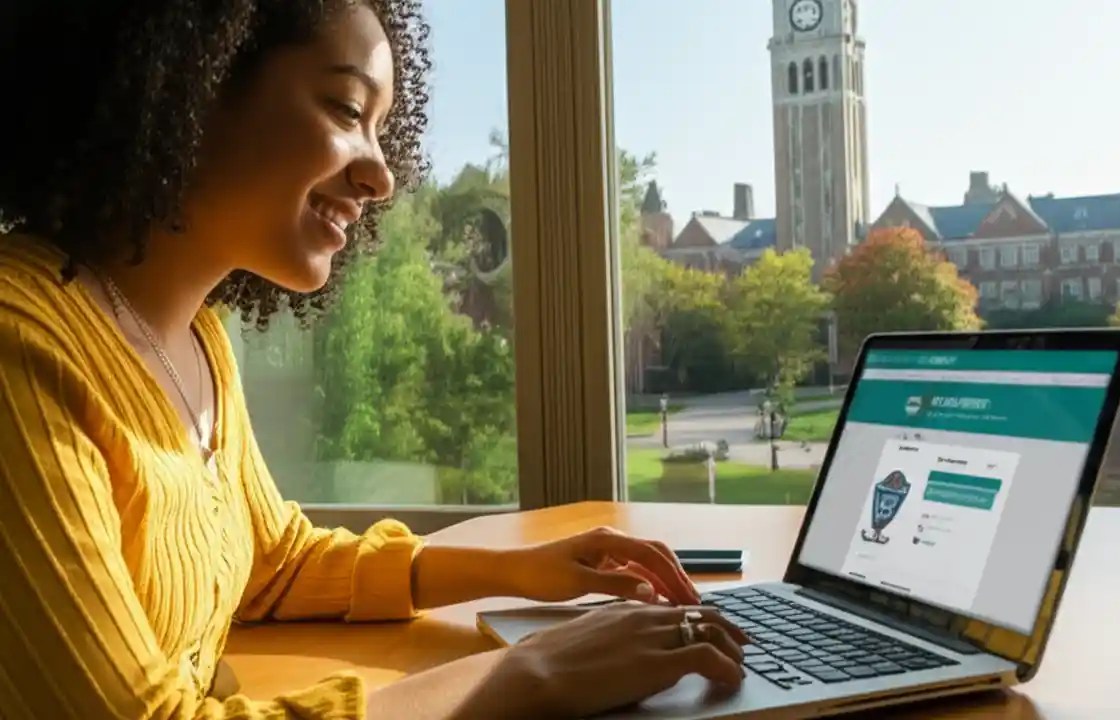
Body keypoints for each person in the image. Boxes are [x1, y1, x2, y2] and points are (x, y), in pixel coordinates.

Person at [0, 2, 747, 718]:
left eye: (383, 130)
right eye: (347, 110)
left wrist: (519, 570)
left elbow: (276, 565)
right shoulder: (20, 347)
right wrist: (531, 672)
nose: (383, 177)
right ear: (194, 80)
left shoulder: (199, 343)